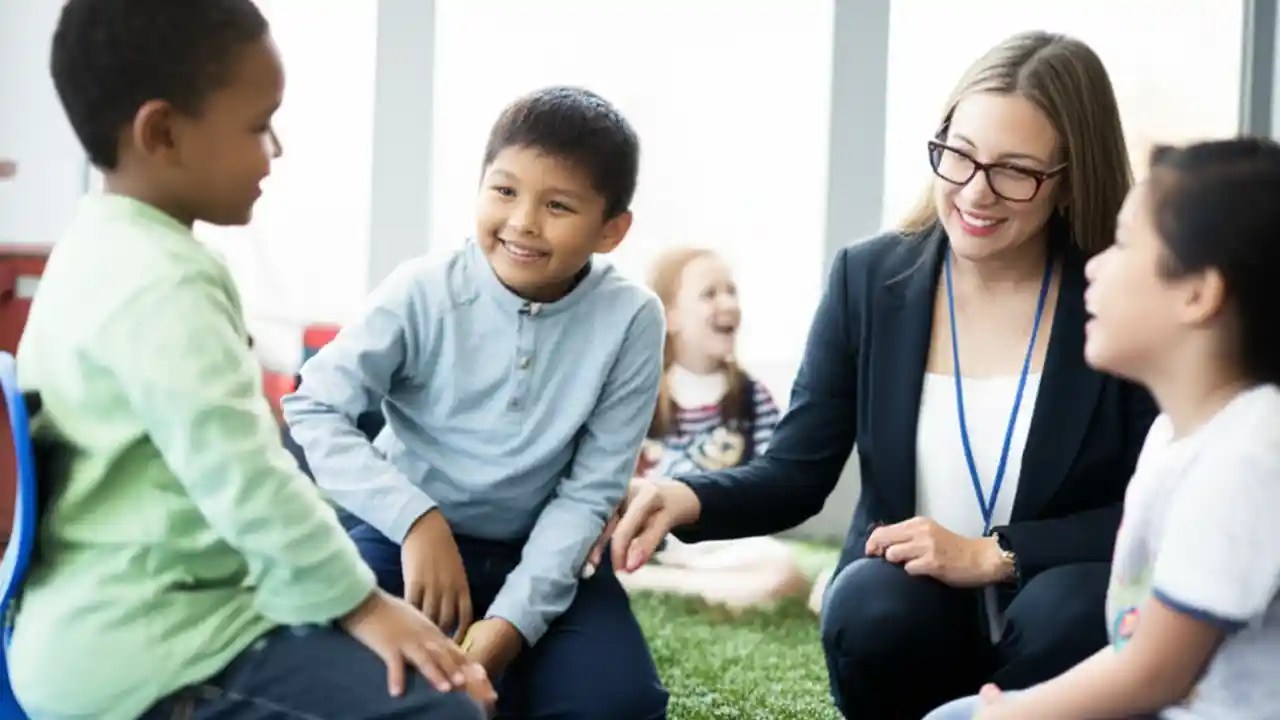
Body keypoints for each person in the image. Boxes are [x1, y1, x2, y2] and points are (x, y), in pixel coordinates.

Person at [609, 31, 1158, 719]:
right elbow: (797, 473)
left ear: (1070, 178)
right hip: (908, 615)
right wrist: (682, 499)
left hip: (1055, 618)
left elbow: (1157, 506)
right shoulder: (868, 281)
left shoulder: (1116, 297)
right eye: (958, 156)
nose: (975, 193)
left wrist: (998, 554)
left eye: (1014, 170)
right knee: (875, 603)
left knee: (1071, 606)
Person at [8, 1, 493, 719]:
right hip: (151, 653)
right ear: (163, 132)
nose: (277, 149)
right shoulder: (161, 280)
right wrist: (366, 608)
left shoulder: (98, 245)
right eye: (258, 124)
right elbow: (249, 484)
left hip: (125, 616)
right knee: (445, 711)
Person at [283, 86, 670, 719]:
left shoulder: (632, 318)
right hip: (405, 543)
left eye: (558, 205)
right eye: (504, 191)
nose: (522, 222)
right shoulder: (422, 288)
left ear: (611, 230)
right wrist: (415, 519)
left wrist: (509, 629)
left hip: (549, 555)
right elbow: (313, 407)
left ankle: (510, 673)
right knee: (325, 667)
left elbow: (589, 494)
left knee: (617, 706)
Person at [926, 138, 1280, 719]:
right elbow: (1136, 648)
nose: (1093, 264)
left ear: (1198, 293)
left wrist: (1012, 714)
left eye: (1122, 244)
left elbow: (1154, 674)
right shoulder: (1176, 433)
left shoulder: (1248, 458)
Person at [619, 247, 806, 610]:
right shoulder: (639, 393)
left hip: (722, 541)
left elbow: (776, 482)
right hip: (648, 536)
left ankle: (650, 582)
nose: (728, 303)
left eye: (731, 291)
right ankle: (673, 580)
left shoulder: (751, 399)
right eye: (709, 293)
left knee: (782, 572)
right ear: (669, 316)